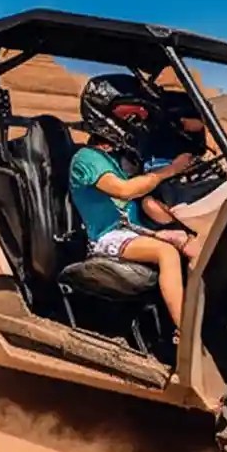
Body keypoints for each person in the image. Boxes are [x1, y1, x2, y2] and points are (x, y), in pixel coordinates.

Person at [69, 132, 200, 332]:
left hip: (133, 231)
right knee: (166, 253)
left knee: (196, 245)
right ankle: (186, 332)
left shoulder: (113, 161)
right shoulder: (88, 157)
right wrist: (170, 170)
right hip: (109, 236)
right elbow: (124, 190)